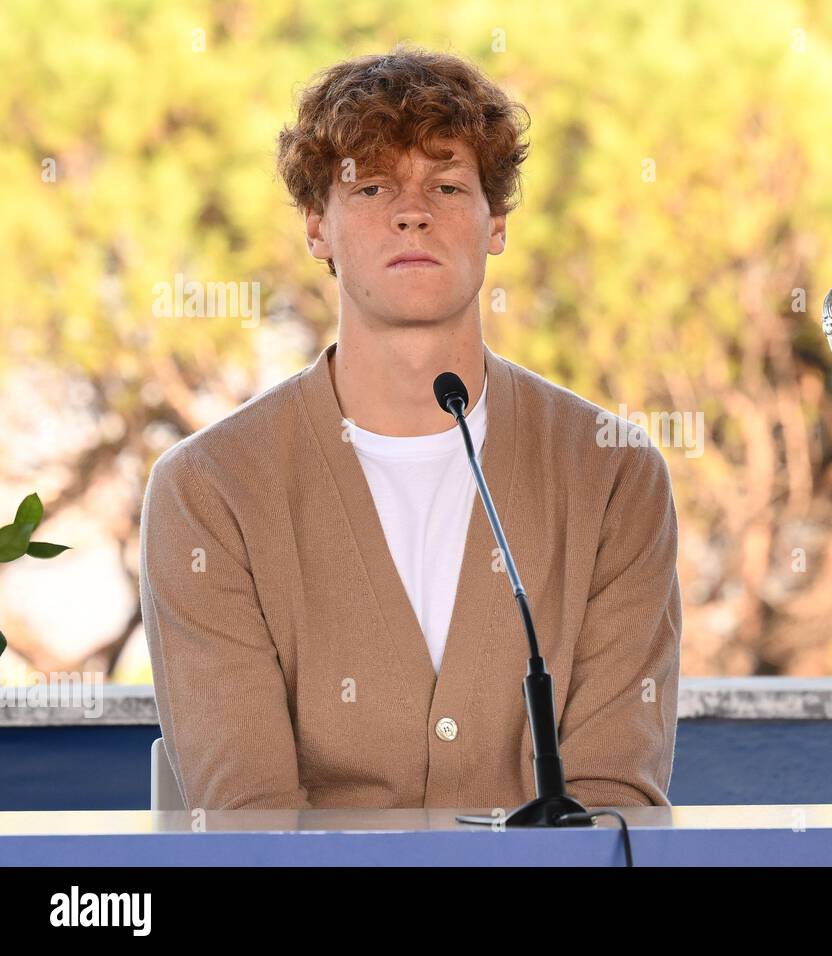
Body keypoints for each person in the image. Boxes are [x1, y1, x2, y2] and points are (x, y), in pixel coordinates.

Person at [140, 45, 682, 811]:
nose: (412, 211)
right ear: (315, 228)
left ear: (496, 224)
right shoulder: (207, 490)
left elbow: (610, 803)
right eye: (373, 187)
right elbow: (251, 819)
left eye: (448, 184)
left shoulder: (614, 474)